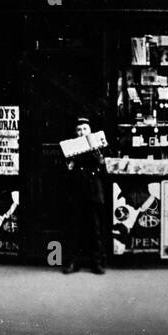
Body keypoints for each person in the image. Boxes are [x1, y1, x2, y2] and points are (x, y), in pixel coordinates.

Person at [63, 117, 109, 274]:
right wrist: (69, 164)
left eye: (85, 129)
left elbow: (104, 171)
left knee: (94, 229)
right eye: (79, 130)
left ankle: (97, 262)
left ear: (90, 131)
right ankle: (72, 262)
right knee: (74, 228)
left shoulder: (98, 148)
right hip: (77, 191)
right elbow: (66, 173)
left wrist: (100, 159)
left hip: (93, 191)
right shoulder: (71, 149)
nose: (82, 132)